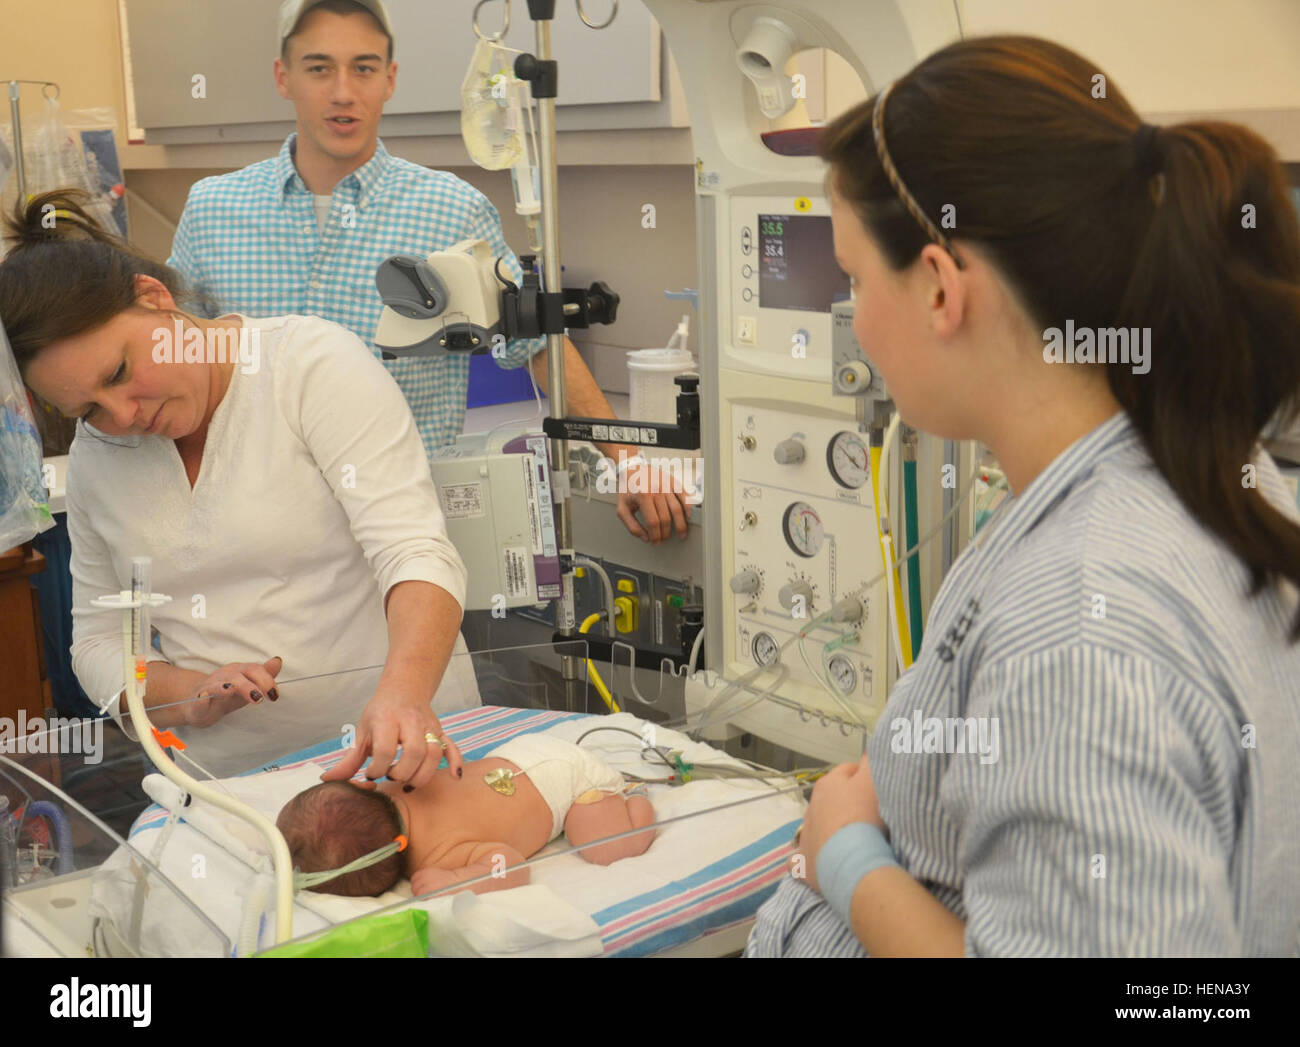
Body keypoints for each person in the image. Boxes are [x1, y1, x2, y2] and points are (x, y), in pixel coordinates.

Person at [746, 35, 1300, 957]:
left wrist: (847, 858)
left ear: (939, 287)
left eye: (853, 279)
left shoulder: (1080, 620)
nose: (854, 321)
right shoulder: (1208, 472)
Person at [167, 0, 691, 544]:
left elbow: (536, 342)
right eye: (319, 68)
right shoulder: (213, 210)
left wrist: (630, 460)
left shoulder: (450, 211)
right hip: (252, 534)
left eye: (363, 68)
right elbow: (174, 362)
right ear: (283, 76)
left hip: (401, 532)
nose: (343, 92)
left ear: (390, 79)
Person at [0, 190, 479, 782]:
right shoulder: (100, 454)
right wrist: (190, 693)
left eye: (119, 372)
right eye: (88, 410)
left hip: (400, 752)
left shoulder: (306, 367)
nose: (123, 415)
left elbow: (415, 552)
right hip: (227, 784)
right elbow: (100, 643)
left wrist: (403, 696)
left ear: (155, 298)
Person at [277, 732, 656, 896]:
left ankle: (635, 795)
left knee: (607, 849)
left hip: (574, 785)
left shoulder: (438, 856)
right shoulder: (394, 779)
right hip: (522, 751)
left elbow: (511, 865)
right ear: (361, 785)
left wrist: (460, 880)